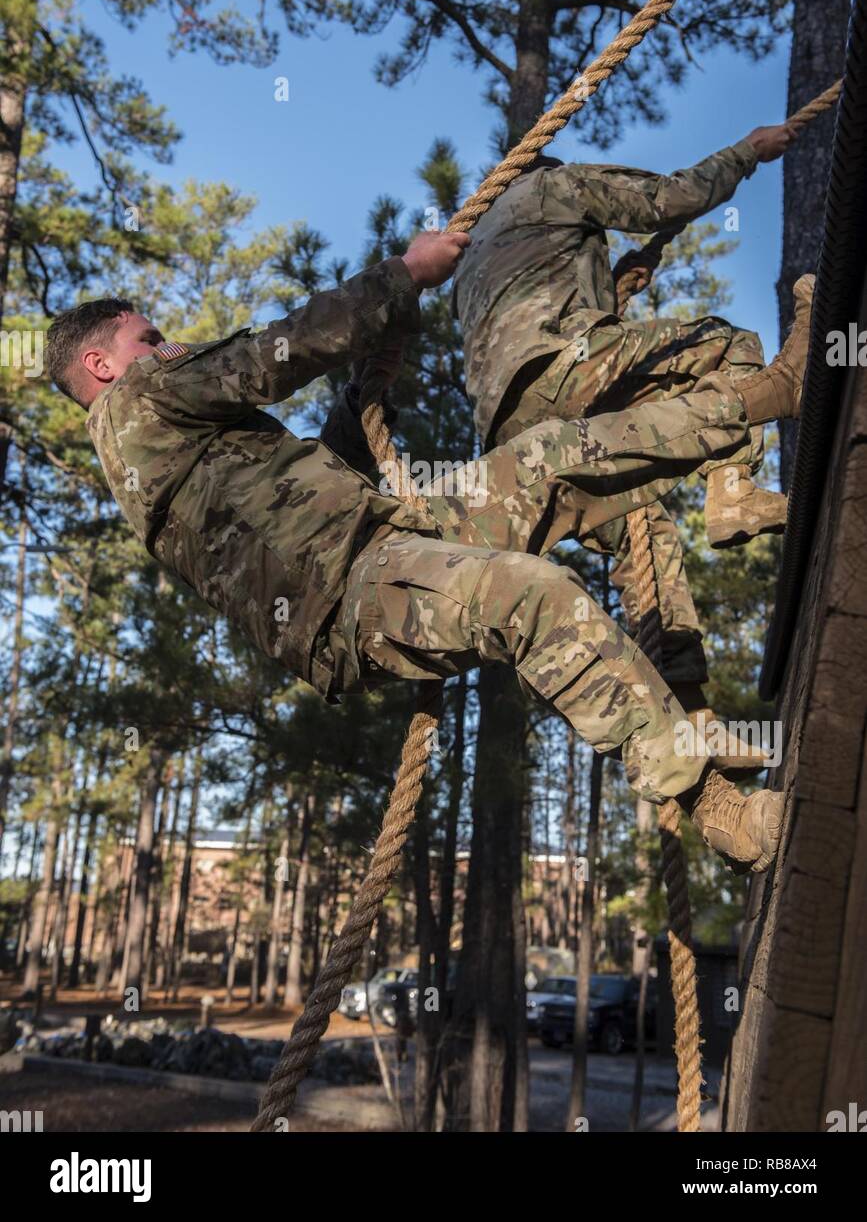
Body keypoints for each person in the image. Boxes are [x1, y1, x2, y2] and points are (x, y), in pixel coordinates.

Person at [46, 231, 811, 871]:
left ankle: (772, 392)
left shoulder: (156, 445)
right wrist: (403, 275)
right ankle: (717, 812)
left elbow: (313, 491)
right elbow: (274, 354)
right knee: (533, 596)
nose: (170, 342)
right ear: (102, 366)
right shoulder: (137, 403)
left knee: (553, 458)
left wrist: (368, 386)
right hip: (355, 592)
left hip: (379, 537)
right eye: (148, 338)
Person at [451, 122, 797, 725]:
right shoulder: (555, 185)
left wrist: (615, 286)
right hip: (566, 367)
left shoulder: (474, 247)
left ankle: (688, 712)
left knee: (643, 526)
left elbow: (530, 307)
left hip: (512, 435)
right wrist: (747, 152)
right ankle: (733, 490)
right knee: (725, 344)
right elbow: (666, 197)